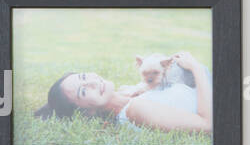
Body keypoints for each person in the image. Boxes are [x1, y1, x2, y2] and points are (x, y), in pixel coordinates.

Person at [35, 51, 212, 133]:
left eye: (83, 76)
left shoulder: (133, 95)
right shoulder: (136, 109)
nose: (91, 82)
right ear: (87, 112)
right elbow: (207, 125)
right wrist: (196, 68)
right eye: (83, 91)